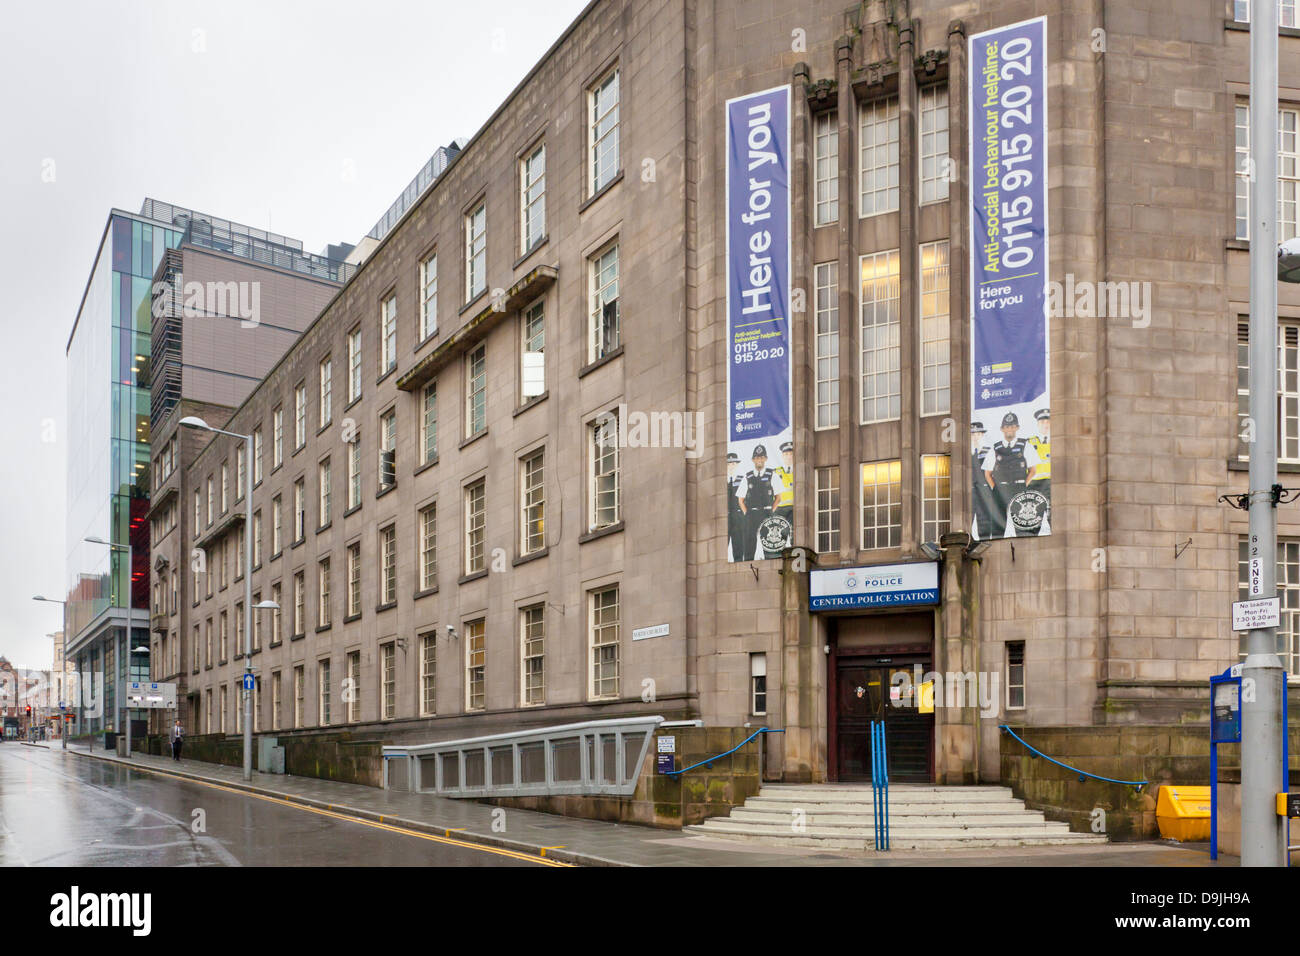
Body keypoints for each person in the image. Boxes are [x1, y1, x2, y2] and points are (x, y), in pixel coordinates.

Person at [982, 412, 1043, 537]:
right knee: (997, 530)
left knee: (1023, 527)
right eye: (1007, 427)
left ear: (1017, 428)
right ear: (1002, 429)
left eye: (1012, 426)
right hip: (1000, 490)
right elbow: (987, 473)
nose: (1009, 429)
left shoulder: (1025, 446)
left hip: (1019, 489)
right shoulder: (995, 448)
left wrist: (1023, 486)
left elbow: (1033, 470)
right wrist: (995, 488)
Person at [736, 444, 786, 560]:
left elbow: (778, 498)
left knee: (770, 544)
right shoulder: (747, 477)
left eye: (762, 457)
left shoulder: (771, 475)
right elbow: (740, 500)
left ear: (766, 459)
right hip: (751, 515)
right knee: (749, 545)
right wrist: (747, 514)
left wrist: (771, 511)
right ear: (753, 460)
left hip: (767, 514)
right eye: (757, 457)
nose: (759, 460)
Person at [970, 421, 995, 540]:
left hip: (984, 489)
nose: (975, 437)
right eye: (972, 434)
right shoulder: (966, 453)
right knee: (967, 519)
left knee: (984, 518)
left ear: (982, 435)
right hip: (970, 490)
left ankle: (984, 540)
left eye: (977, 434)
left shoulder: (988, 451)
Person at [726, 452, 746, 561]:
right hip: (725, 518)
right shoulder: (721, 482)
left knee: (738, 546)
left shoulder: (742, 480)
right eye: (728, 464)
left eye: (733, 464)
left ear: (737, 465)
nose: (731, 466)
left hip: (738, 517)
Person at [774, 441, 794, 528]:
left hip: (794, 508)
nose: (789, 457)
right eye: (786, 454)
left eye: (791, 454)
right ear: (782, 456)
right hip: (779, 509)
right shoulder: (776, 472)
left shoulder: (800, 470)